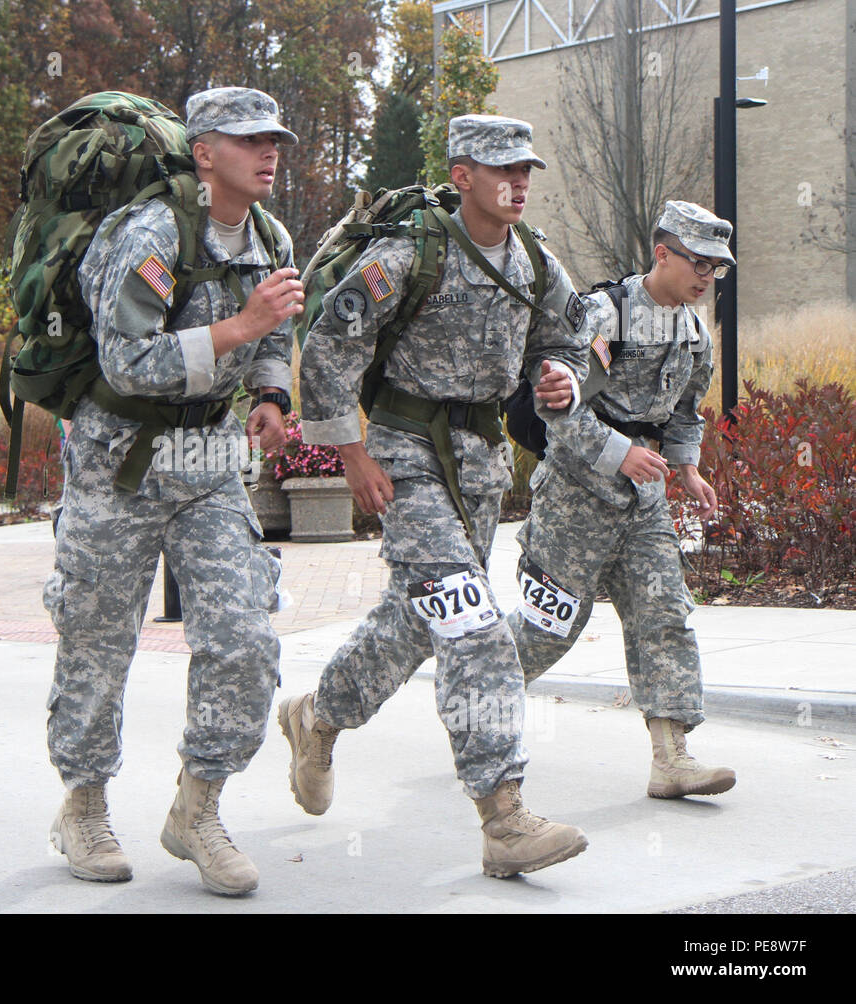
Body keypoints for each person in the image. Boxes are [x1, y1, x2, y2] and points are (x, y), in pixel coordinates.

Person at [278, 114, 593, 878]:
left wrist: (563, 378)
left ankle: (317, 715)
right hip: (404, 454)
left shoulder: (536, 262)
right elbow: (328, 346)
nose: (517, 183)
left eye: (525, 170)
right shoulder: (408, 253)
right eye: (500, 170)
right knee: (474, 623)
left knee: (417, 622)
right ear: (462, 177)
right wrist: (349, 453)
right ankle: (503, 814)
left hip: (481, 463)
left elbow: (566, 338)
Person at [45, 87, 300, 895]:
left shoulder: (269, 235)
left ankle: (199, 805)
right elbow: (126, 362)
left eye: (275, 140)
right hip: (116, 465)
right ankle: (82, 805)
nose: (269, 153)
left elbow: (279, 331)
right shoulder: (151, 233)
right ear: (203, 153)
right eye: (249, 139)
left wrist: (270, 395)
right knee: (97, 640)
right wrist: (238, 329)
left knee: (244, 639)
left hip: (208, 466)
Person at [509, 200, 736, 799]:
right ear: (662, 253)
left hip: (645, 498)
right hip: (575, 497)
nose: (708, 278)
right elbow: (554, 406)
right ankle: (472, 689)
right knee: (549, 628)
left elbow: (686, 409)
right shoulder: (603, 315)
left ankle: (672, 758)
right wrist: (618, 452)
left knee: (663, 614)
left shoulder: (692, 330)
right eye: (700, 263)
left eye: (718, 268)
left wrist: (685, 467)